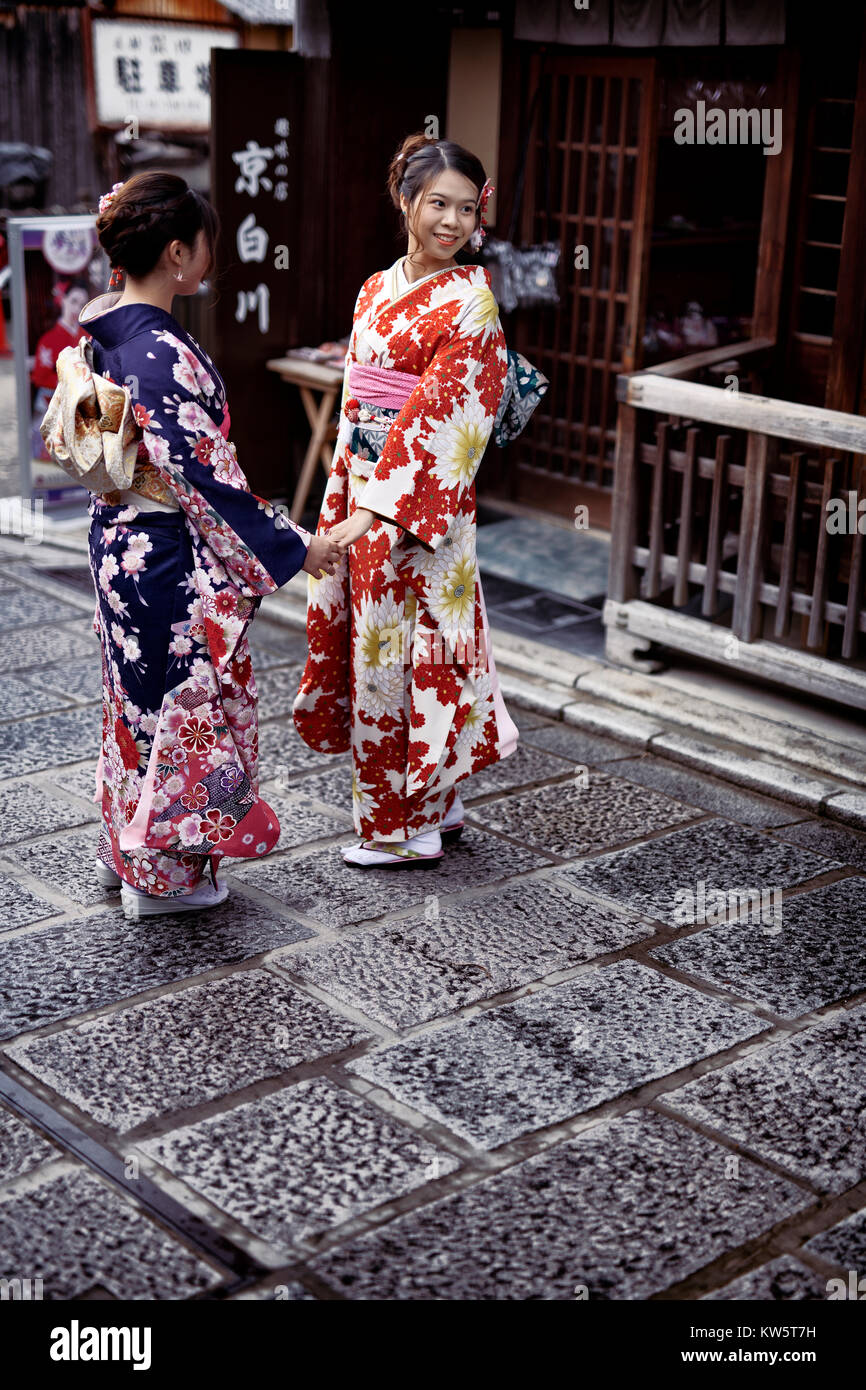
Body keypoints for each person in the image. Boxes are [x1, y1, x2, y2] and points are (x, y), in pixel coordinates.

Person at [65, 172, 342, 918]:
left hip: (121, 543)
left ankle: (129, 845)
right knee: (181, 704)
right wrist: (295, 545)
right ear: (181, 252)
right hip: (162, 554)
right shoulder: (155, 351)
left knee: (139, 700)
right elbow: (202, 477)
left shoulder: (108, 324)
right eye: (206, 243)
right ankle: (165, 879)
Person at [294, 133, 545, 868]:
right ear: (405, 200)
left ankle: (405, 828)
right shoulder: (375, 288)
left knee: (423, 651)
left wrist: (377, 508)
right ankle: (439, 799)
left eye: (467, 209)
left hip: (422, 508)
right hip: (374, 492)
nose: (452, 222)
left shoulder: (472, 299)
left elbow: (446, 413)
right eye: (438, 203)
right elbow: (355, 408)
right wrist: (345, 491)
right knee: (391, 652)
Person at [30, 279, 90, 462]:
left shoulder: (88, 336)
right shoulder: (49, 340)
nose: (76, 309)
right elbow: (39, 377)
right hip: (53, 405)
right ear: (63, 300)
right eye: (73, 301)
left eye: (82, 304)